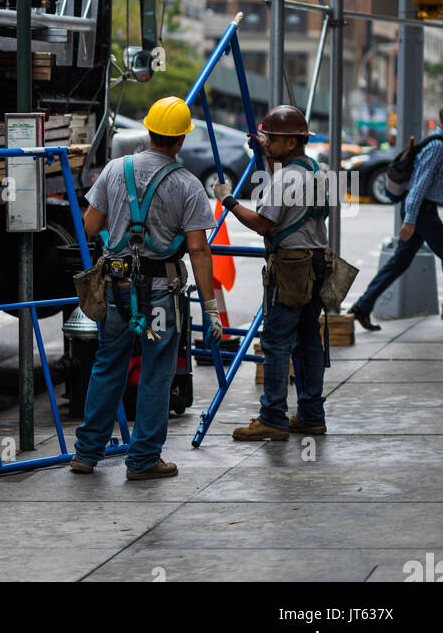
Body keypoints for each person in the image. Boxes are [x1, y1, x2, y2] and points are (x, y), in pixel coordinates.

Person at [71, 96, 221, 480]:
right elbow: (199, 249)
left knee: (108, 366)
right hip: (160, 293)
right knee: (156, 371)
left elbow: (89, 226)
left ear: (150, 131)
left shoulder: (114, 170)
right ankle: (141, 461)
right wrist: (210, 308)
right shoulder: (187, 185)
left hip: (116, 286)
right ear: (181, 140)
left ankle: (87, 453)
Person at [215, 104, 328, 441]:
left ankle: (272, 418)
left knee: (276, 342)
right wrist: (268, 155)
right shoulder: (314, 169)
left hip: (291, 267)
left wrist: (229, 202)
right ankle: (311, 415)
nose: (269, 143)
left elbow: (263, 223)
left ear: (292, 142)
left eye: (274, 139)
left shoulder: (285, 178)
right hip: (316, 263)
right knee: (308, 340)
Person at [352, 107, 443, 331]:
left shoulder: (436, 143)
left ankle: (362, 307)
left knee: (398, 263)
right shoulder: (438, 146)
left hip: (421, 211)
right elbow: (419, 187)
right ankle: (362, 307)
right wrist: (410, 220)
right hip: (422, 212)